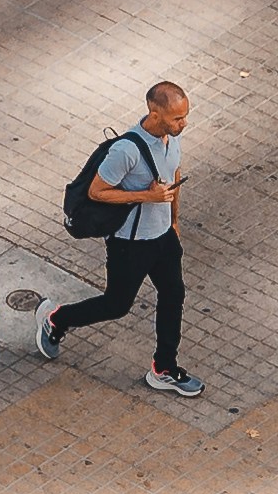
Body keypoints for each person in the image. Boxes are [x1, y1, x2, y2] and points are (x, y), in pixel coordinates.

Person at [44, 77, 202, 397]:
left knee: (173, 294)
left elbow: (173, 177)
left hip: (163, 237)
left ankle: (164, 368)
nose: (184, 124)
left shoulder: (172, 138)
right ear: (155, 114)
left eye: (185, 116)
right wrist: (147, 196)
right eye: (177, 118)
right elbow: (97, 192)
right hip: (130, 244)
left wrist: (174, 222)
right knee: (116, 305)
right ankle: (57, 319)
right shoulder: (126, 150)